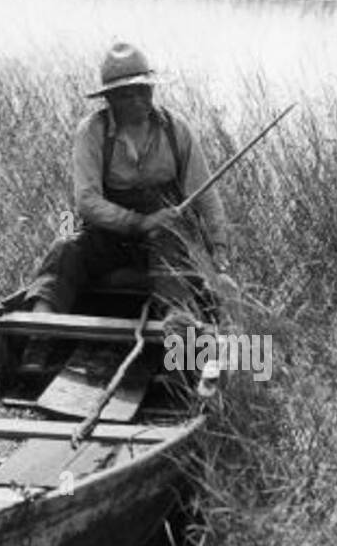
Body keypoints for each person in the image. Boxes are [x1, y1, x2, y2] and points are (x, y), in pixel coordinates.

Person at [23, 43, 235, 338]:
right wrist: (139, 222)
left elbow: (206, 196)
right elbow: (86, 202)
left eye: (143, 90)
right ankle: (38, 332)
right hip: (111, 239)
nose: (138, 100)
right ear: (109, 99)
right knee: (66, 246)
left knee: (171, 236)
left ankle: (177, 320)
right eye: (126, 94)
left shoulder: (176, 130)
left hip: (166, 243)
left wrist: (220, 255)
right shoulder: (92, 132)